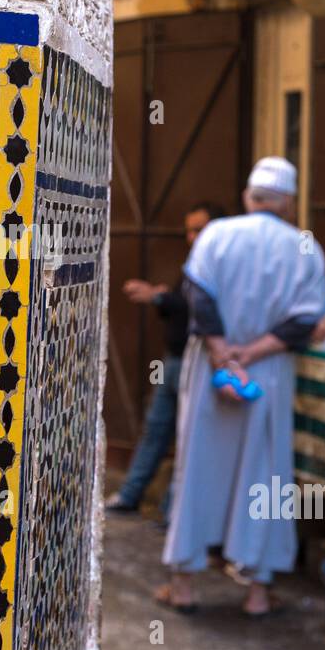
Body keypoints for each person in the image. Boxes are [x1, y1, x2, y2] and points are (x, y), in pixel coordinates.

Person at [157, 157, 325, 618]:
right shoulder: (305, 248)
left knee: (195, 467)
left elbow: (198, 294)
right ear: (290, 203)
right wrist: (250, 356)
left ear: (247, 196)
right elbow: (305, 319)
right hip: (268, 373)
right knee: (265, 474)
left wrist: (222, 354)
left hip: (211, 369)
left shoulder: (216, 234)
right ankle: (257, 592)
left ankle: (184, 585)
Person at [106, 202, 226, 518]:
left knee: (190, 438)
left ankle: (173, 511)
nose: (192, 236)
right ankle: (130, 495)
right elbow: (182, 306)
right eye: (189, 230)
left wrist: (157, 296)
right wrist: (160, 296)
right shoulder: (195, 264)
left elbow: (197, 310)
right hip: (173, 360)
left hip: (197, 363)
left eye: (199, 229)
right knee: (156, 429)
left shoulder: (218, 265)